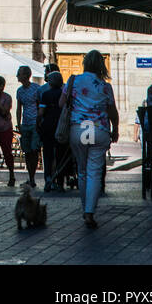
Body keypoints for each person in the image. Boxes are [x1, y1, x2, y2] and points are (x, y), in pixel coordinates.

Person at [61, 49, 118, 228]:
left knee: (82, 171)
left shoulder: (73, 81)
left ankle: (85, 207)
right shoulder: (105, 86)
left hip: (78, 129)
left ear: (85, 63)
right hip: (99, 130)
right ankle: (89, 211)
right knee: (94, 172)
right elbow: (112, 111)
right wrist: (116, 129)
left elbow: (61, 103)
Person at [37, 69, 65, 192]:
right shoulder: (64, 94)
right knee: (60, 154)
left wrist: (38, 123)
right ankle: (60, 181)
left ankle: (48, 179)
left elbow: (41, 112)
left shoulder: (46, 95)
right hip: (61, 127)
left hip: (48, 127)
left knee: (48, 155)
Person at [15, 66, 42, 186]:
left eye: (19, 74)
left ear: (26, 75)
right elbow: (19, 108)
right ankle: (30, 176)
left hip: (35, 123)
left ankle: (32, 177)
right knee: (27, 151)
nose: (17, 76)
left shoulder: (36, 88)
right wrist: (18, 123)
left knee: (34, 150)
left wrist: (39, 121)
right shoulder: (19, 91)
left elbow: (40, 105)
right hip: (25, 124)